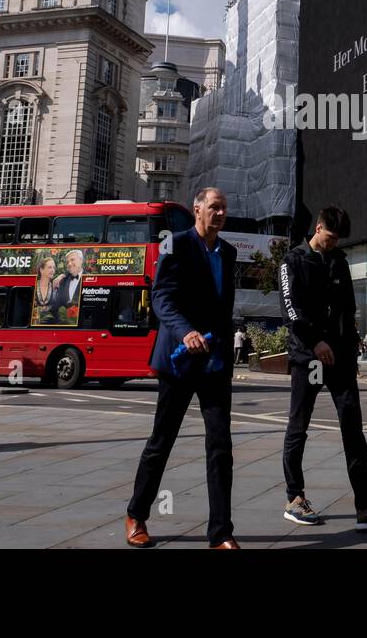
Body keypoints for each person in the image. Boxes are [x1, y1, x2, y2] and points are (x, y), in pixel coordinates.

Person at [278, 206, 367, 531]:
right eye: (330, 237)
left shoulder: (339, 261)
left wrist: (352, 352)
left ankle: (366, 504)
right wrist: (316, 341)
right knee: (298, 426)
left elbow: (348, 309)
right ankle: (295, 498)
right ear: (318, 228)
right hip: (309, 357)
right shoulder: (292, 260)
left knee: (353, 427)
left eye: (338, 239)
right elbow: (291, 309)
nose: (333, 243)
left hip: (341, 360)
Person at [127, 187, 239, 549]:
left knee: (220, 447)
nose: (220, 213)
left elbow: (223, 308)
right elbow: (161, 296)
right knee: (162, 441)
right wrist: (185, 331)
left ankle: (221, 532)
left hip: (216, 364)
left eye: (223, 208)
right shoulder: (175, 243)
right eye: (213, 207)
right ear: (197, 210)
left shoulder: (229, 252)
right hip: (179, 359)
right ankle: (137, 514)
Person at [51, 249, 85, 322]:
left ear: (81, 260)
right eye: (67, 262)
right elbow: (56, 306)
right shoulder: (62, 280)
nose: (69, 264)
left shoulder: (91, 278)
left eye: (72, 260)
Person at [32, 255, 59, 325]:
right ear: (41, 270)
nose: (53, 270)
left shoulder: (55, 287)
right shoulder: (33, 286)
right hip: (33, 327)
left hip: (51, 327)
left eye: (54, 268)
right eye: (50, 267)